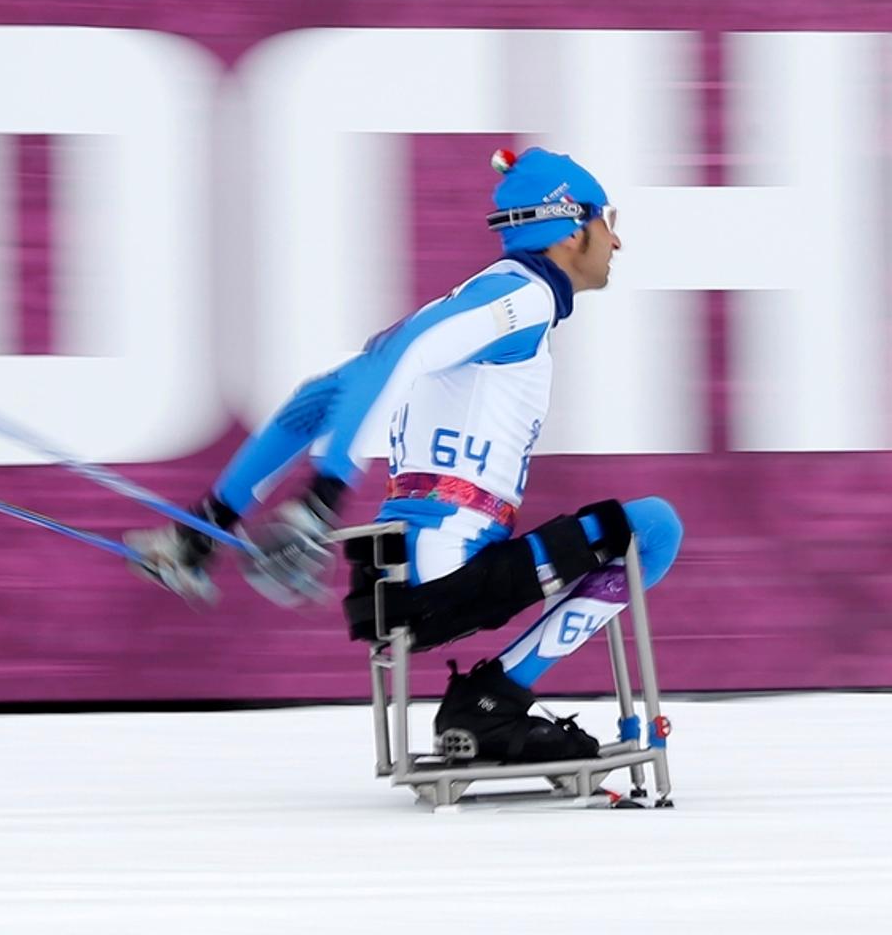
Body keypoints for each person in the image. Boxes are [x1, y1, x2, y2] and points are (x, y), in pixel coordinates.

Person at [128, 147, 683, 764]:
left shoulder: (475, 301)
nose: (616, 240)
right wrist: (322, 497)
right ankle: (491, 703)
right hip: (449, 580)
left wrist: (210, 522)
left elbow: (316, 401)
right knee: (654, 528)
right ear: (572, 228)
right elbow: (403, 357)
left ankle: (489, 702)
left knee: (623, 528)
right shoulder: (522, 301)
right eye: (607, 220)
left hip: (394, 584)